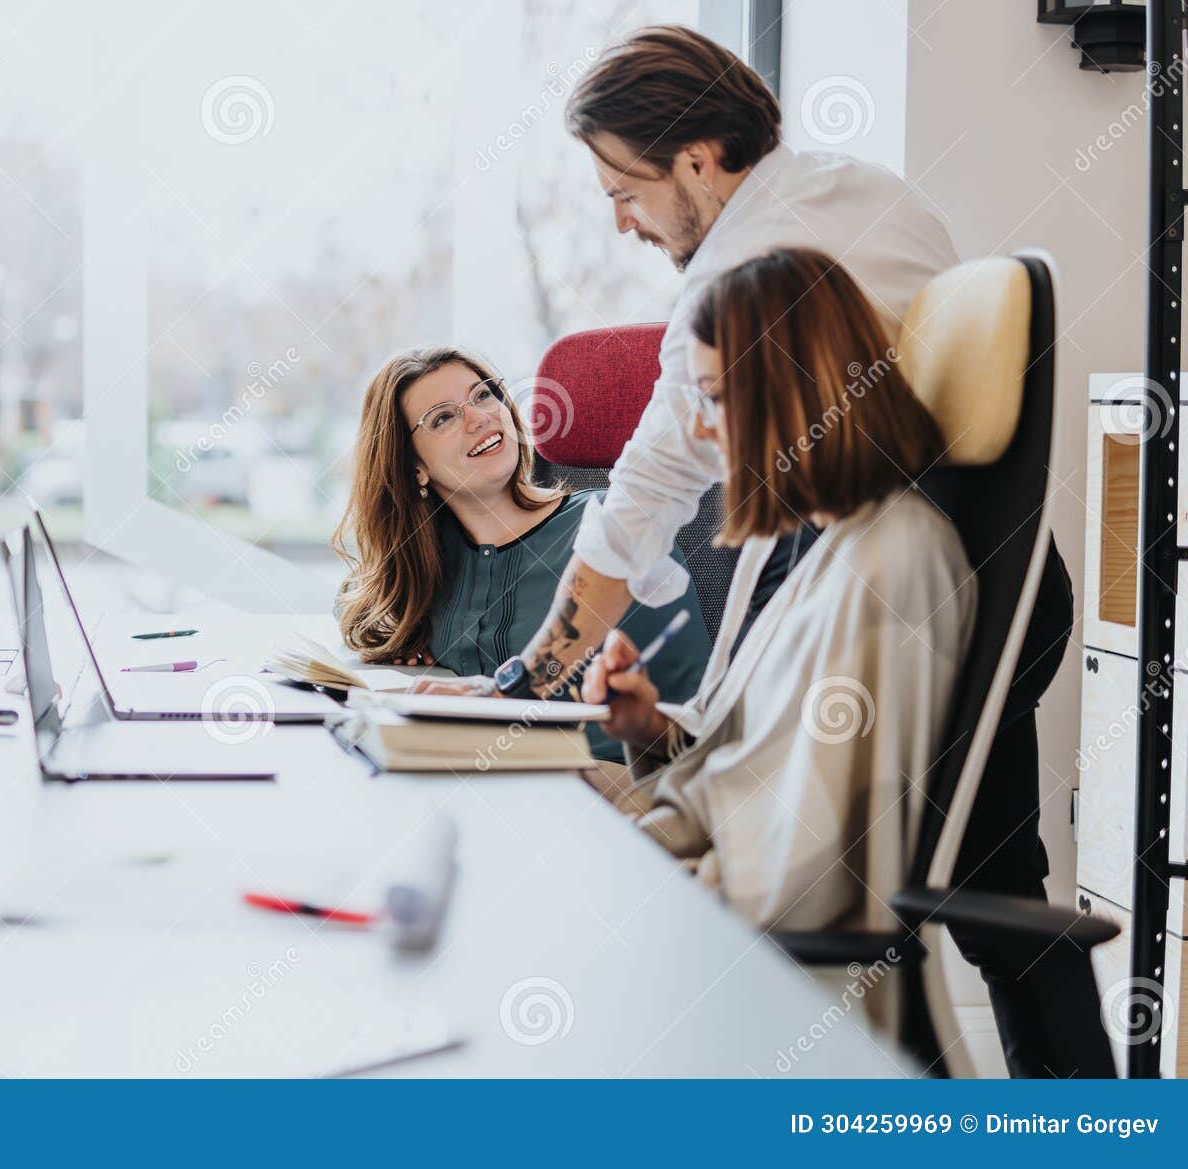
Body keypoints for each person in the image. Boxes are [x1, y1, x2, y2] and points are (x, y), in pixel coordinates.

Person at [416, 24, 1078, 1075]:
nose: (625, 223)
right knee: (993, 897)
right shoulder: (858, 191)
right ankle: (1078, 1118)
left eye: (622, 189)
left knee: (977, 893)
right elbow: (767, 797)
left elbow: (644, 490)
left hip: (904, 603)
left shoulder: (748, 288)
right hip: (968, 573)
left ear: (694, 159)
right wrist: (638, 748)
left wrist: (538, 696)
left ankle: (1078, 1123)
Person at [581, 247, 972, 930]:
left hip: (768, 964)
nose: (701, 428)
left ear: (790, 392)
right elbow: (741, 758)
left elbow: (806, 871)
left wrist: (630, 881)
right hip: (699, 893)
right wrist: (649, 725)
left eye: (714, 397)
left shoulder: (894, 562)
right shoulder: (789, 541)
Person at [332, 345, 710, 764]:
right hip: (497, 776)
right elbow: (356, 600)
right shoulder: (435, 565)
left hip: (621, 782)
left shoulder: (614, 526)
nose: (479, 417)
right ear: (413, 468)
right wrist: (399, 633)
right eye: (443, 417)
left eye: (483, 395)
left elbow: (688, 718)